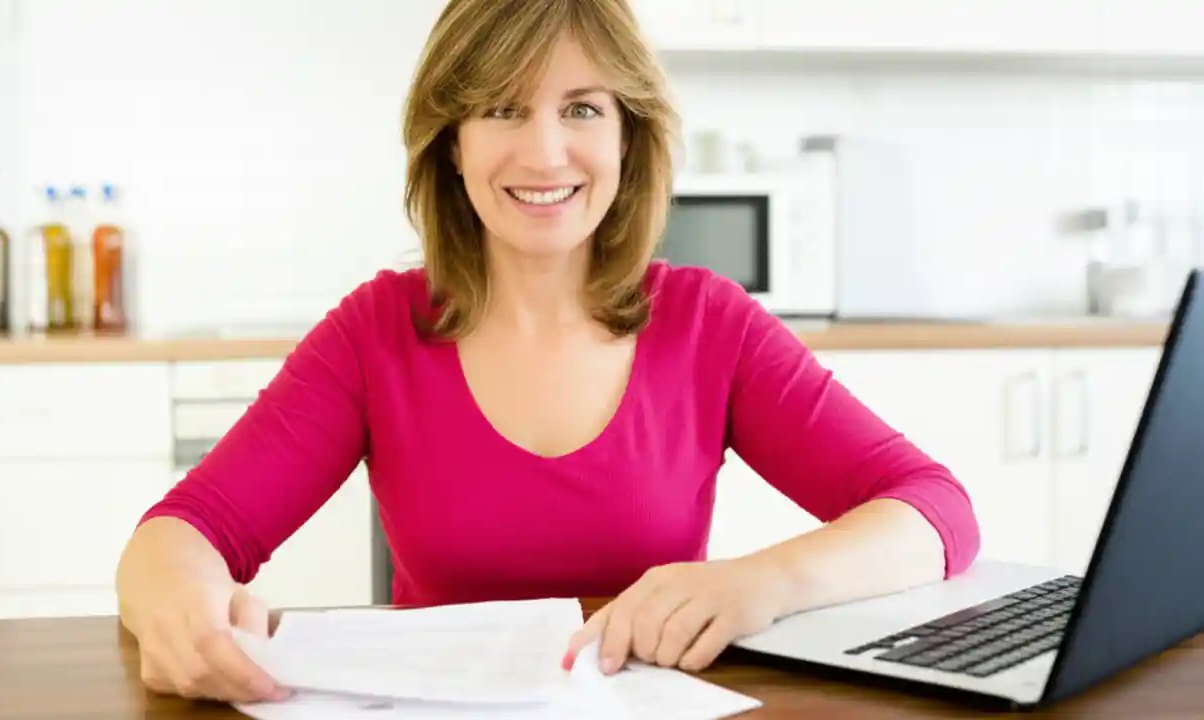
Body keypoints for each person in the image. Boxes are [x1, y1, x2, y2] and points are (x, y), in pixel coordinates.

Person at [115, 0, 981, 705]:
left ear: (625, 138)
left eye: (581, 109)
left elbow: (936, 512)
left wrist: (759, 583)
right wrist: (179, 609)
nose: (544, 152)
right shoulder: (376, 331)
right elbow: (184, 535)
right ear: (451, 143)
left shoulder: (707, 324)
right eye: (501, 108)